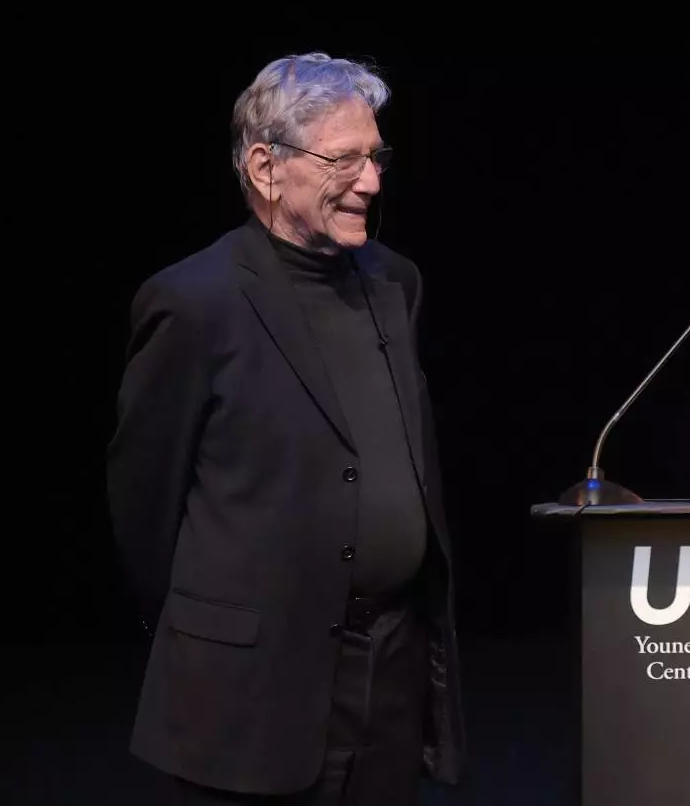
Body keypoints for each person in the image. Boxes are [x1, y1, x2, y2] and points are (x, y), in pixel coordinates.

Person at [106, 51, 465, 805]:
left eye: (377, 157)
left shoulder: (396, 283)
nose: (371, 182)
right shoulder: (193, 303)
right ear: (267, 167)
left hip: (389, 679)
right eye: (345, 159)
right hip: (250, 695)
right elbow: (145, 505)